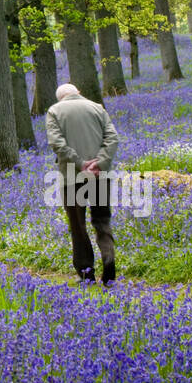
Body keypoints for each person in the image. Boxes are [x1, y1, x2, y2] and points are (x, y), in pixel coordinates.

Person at [45, 81, 119, 286]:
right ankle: (109, 261)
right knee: (102, 221)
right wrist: (100, 163)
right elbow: (112, 138)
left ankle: (86, 274)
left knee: (78, 225)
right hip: (100, 177)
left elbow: (57, 143)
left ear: (61, 98)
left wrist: (81, 163)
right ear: (78, 92)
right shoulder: (97, 108)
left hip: (72, 178)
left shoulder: (54, 111)